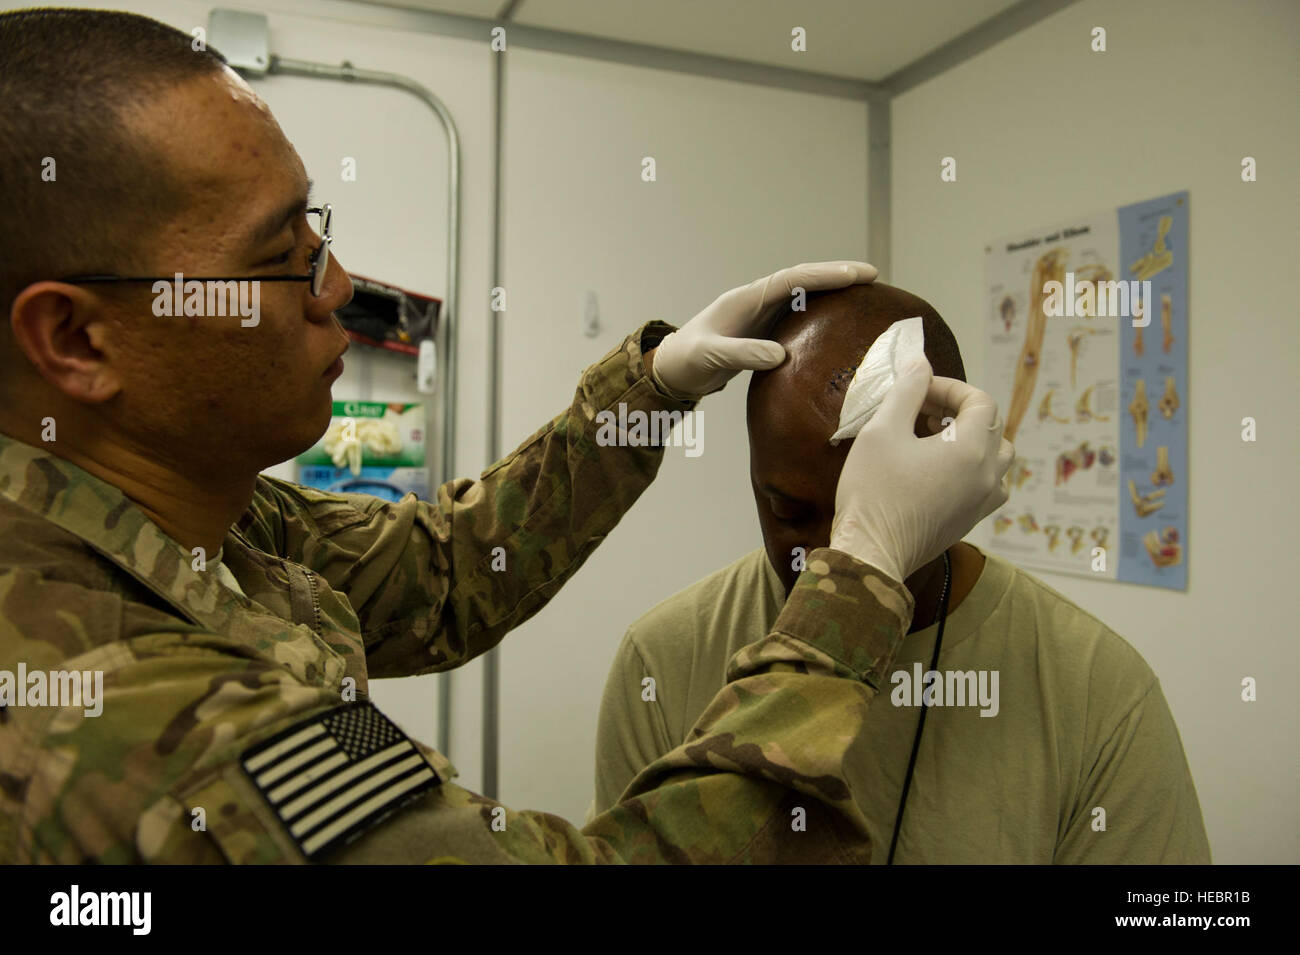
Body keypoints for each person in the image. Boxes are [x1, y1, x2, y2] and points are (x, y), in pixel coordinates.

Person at [0, 9, 1010, 863]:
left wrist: (645, 390)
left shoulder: (191, 518)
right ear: (78, 339)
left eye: (319, 235)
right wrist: (863, 572)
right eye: (280, 259)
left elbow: (447, 569)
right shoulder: (124, 709)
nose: (341, 290)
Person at [591, 282, 1212, 863]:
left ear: (951, 483)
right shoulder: (663, 659)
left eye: (870, 516)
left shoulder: (1094, 690)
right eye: (787, 509)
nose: (827, 556)